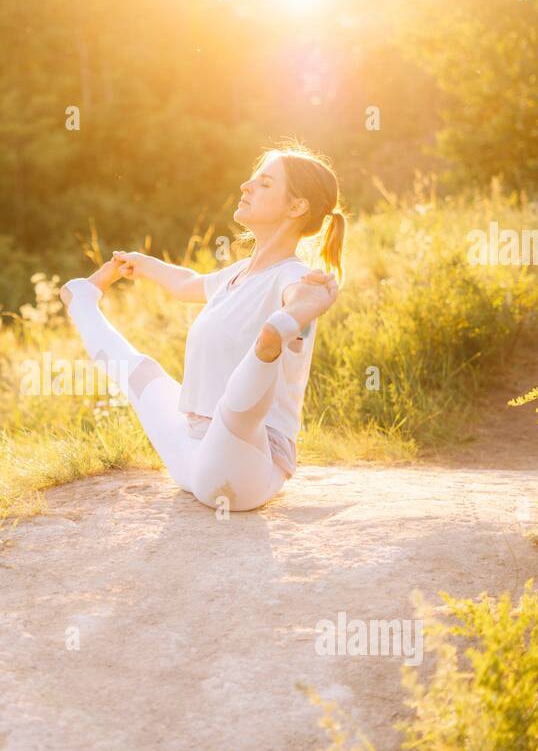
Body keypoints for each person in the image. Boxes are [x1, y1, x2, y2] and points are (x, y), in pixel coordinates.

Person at [59, 142, 345, 511]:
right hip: (194, 450)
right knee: (139, 372)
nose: (246, 185)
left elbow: (297, 292)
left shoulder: (295, 276)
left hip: (249, 463)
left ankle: (270, 343)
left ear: (296, 206)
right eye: (252, 179)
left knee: (235, 408)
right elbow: (186, 284)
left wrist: (300, 308)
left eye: (264, 183)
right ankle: (81, 301)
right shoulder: (238, 275)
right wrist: (140, 263)